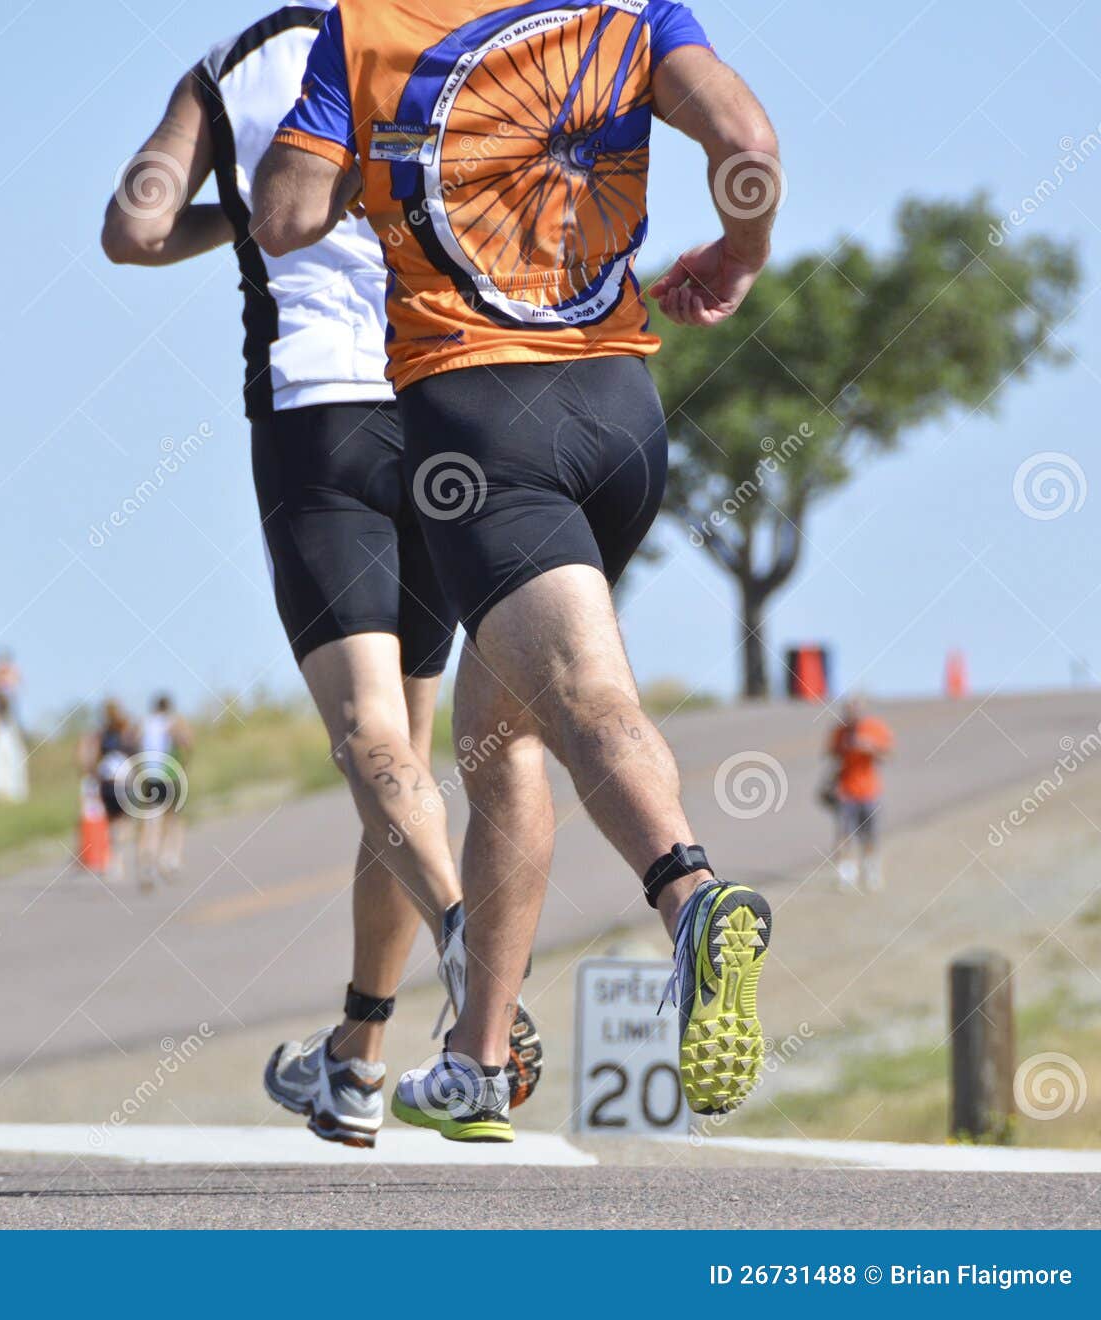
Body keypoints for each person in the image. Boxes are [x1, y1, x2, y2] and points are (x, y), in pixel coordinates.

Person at [253, 0, 782, 1141]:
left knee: (586, 697)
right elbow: (745, 142)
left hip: (481, 423)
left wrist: (387, 168)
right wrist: (737, 256)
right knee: (504, 734)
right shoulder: (635, 11)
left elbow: (286, 214)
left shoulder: (366, 27)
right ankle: (478, 1061)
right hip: (623, 415)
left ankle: (690, 897)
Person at [102, 0, 541, 1148]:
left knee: (372, 751)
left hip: (319, 421)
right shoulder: (459, 39)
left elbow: (134, 229)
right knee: (400, 769)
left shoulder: (229, 66)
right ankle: (357, 1055)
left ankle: (464, 949)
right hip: (452, 409)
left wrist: (248, 218)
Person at [828, 696, 893, 893]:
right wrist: (845, 747)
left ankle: (871, 871)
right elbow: (832, 755)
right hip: (846, 791)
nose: (852, 714)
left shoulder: (874, 729)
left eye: (856, 710)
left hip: (869, 792)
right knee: (844, 835)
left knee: (870, 836)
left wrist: (869, 747)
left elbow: (887, 755)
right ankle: (846, 874)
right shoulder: (840, 732)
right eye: (848, 711)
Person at [79, 700, 143, 889]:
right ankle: (118, 859)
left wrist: (92, 774)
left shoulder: (103, 735)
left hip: (107, 782)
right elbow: (135, 756)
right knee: (124, 822)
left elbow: (93, 758)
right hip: (122, 782)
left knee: (112, 822)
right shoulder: (126, 734)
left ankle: (114, 861)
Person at [135, 693, 194, 884]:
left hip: (148, 774)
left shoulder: (144, 723)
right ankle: (169, 857)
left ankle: (148, 857)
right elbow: (188, 742)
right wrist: (185, 760)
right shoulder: (172, 722)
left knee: (152, 818)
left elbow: (134, 742)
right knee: (173, 817)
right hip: (169, 773)